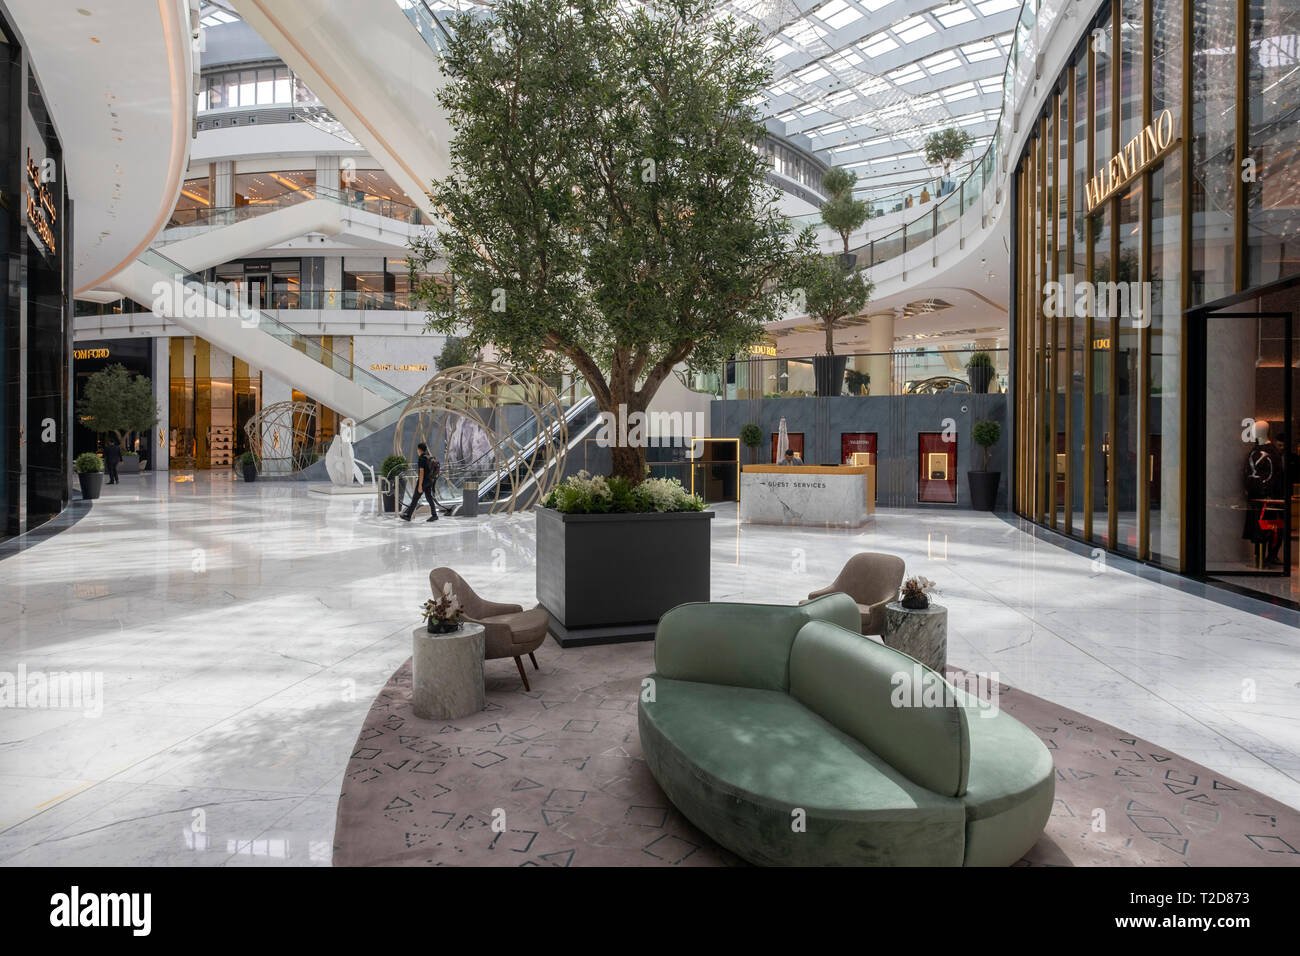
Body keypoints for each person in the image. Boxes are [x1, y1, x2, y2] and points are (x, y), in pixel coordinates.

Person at [400, 442, 440, 522]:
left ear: (419, 450)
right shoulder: (428, 457)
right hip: (430, 480)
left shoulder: (421, 458)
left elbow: (421, 472)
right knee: (429, 498)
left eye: (417, 450)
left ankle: (408, 516)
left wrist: (420, 485)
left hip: (424, 481)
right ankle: (434, 515)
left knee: (415, 498)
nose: (417, 451)